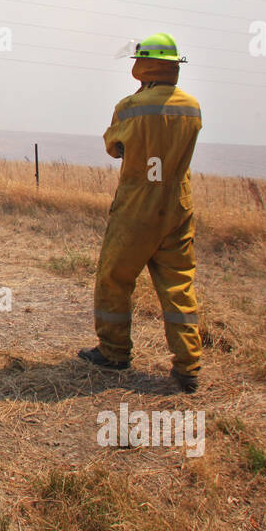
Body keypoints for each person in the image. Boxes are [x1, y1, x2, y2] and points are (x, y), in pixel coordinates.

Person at [78, 33, 203, 392]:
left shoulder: (131, 107)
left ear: (144, 65)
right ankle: (188, 367)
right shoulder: (192, 106)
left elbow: (114, 147)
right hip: (178, 204)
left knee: (114, 278)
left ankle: (115, 352)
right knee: (179, 286)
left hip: (137, 206)